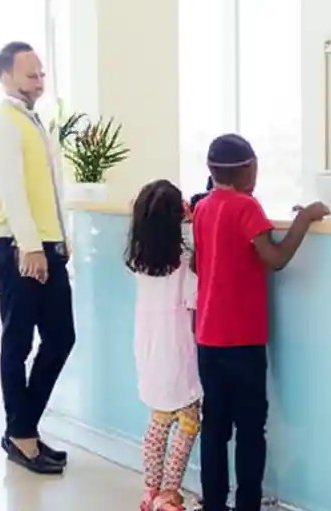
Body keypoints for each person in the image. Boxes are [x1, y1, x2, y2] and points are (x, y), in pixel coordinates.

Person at [192, 134, 329, 511]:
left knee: (215, 427)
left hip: (207, 337)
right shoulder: (246, 206)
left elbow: (198, 263)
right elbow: (276, 257)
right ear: (250, 169)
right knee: (251, 429)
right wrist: (305, 217)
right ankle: (247, 504)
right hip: (243, 340)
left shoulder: (203, 207)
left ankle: (214, 503)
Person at [0, 41, 74, 475]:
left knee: (61, 338)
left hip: (46, 244)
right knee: (18, 343)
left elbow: (50, 188)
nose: (39, 80)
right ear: (5, 76)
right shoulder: (3, 123)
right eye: (30, 74)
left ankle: (23, 428)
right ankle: (22, 435)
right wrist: (31, 245)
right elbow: (13, 189)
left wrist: (61, 237)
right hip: (19, 246)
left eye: (41, 74)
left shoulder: (33, 121)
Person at [126, 180, 201, 511]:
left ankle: (150, 490)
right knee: (187, 419)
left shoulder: (140, 260)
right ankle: (169, 494)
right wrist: (193, 224)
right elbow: (195, 298)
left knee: (158, 420)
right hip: (179, 351)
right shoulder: (184, 263)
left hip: (149, 349)